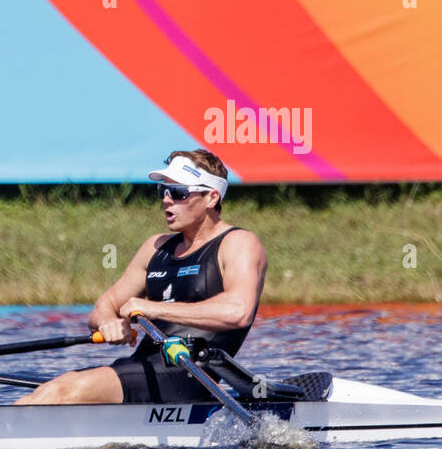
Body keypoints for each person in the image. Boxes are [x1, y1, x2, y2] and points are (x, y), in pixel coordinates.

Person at [17, 149, 267, 405]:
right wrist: (108, 322)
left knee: (62, 391)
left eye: (179, 193)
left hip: (191, 376)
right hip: (142, 369)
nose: (167, 201)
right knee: (49, 391)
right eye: (163, 191)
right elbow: (105, 306)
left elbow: (238, 312)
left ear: (211, 197)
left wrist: (151, 308)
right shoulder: (156, 247)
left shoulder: (239, 243)